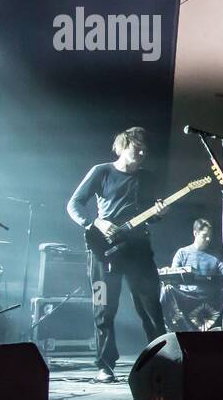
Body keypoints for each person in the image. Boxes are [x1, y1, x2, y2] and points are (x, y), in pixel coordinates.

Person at [66, 127, 167, 382]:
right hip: (104, 250)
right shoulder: (102, 171)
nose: (142, 153)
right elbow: (74, 203)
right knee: (104, 307)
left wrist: (159, 213)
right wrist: (95, 223)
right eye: (137, 148)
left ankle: (161, 360)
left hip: (139, 250)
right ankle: (105, 365)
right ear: (122, 146)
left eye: (145, 149)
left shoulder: (148, 177)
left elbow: (151, 215)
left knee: (151, 306)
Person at [160, 219, 223, 331]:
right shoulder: (182, 253)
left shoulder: (215, 256)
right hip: (185, 296)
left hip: (208, 296)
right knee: (167, 289)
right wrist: (168, 270)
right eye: (205, 235)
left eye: (210, 236)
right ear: (195, 233)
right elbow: (173, 272)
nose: (208, 239)